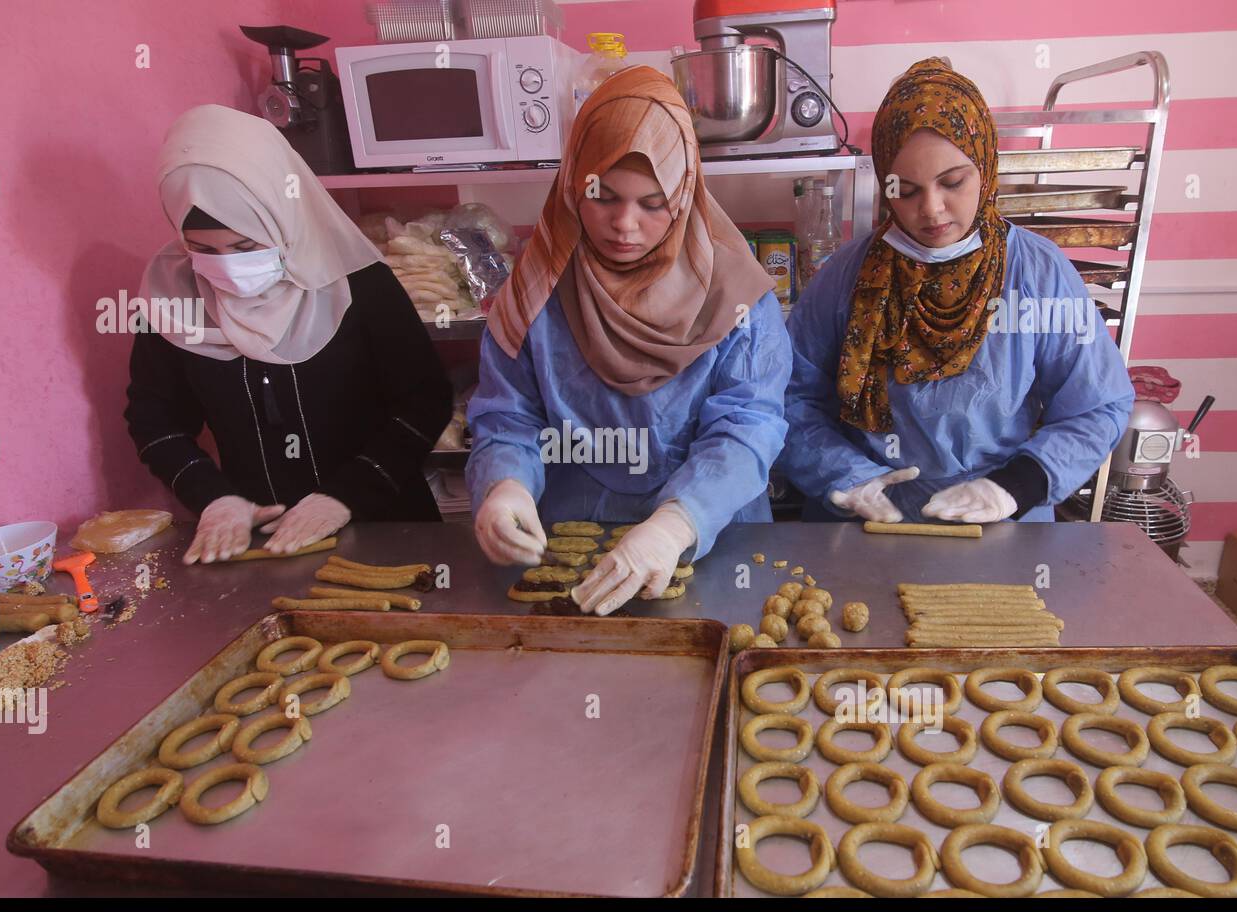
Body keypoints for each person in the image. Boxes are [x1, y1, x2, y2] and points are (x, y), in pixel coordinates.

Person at [466, 67, 790, 615]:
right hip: (571, 551)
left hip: (713, 548)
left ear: (685, 194)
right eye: (603, 195)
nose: (624, 224)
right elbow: (509, 418)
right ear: (573, 183)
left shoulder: (737, 298)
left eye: (652, 202)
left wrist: (676, 522)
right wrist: (505, 485)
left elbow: (748, 426)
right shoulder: (534, 293)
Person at [781, 58, 1134, 524]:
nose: (931, 209)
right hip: (867, 521)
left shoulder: (1037, 274)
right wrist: (845, 475)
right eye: (905, 190)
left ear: (985, 168)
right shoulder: (848, 275)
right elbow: (789, 398)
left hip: (998, 520)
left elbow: (1097, 405)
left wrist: (1017, 485)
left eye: (952, 182)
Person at [126, 104, 452, 563]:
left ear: (283, 218)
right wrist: (214, 498)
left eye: (246, 246)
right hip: (253, 535)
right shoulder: (170, 298)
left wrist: (346, 495)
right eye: (202, 249)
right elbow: (154, 418)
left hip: (385, 521)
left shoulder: (356, 283)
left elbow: (423, 399)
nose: (228, 266)